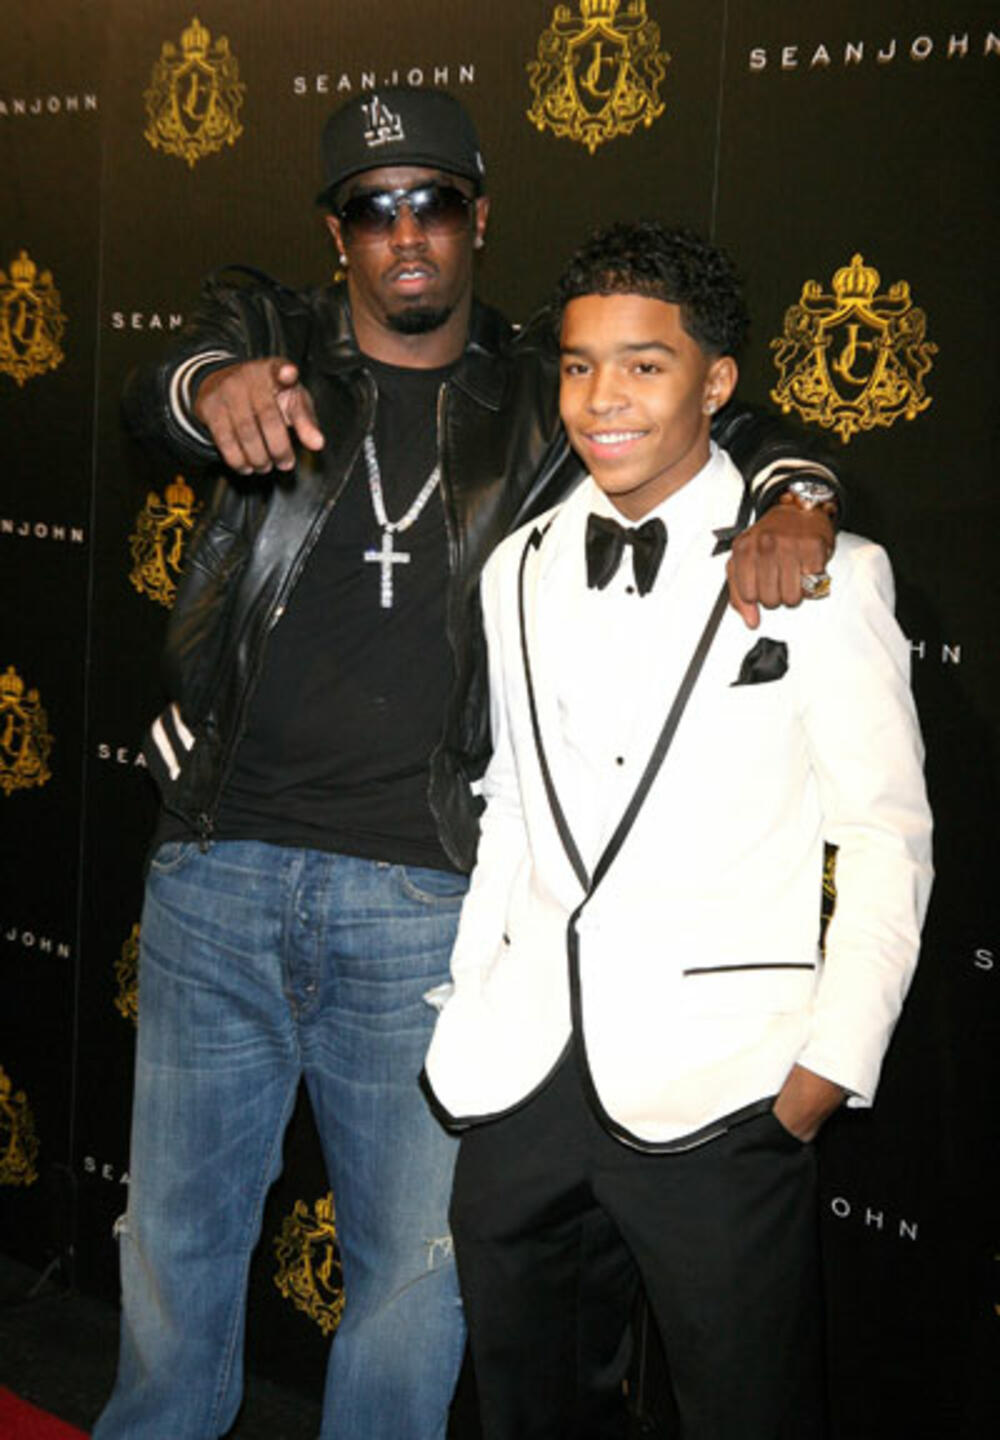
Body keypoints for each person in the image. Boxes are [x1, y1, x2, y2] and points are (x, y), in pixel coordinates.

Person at [95, 90, 841, 1440]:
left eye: (432, 200)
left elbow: (718, 421)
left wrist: (801, 493)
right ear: (338, 236)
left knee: (409, 1283)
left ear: (478, 217)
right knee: (172, 1251)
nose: (405, 232)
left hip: (425, 897)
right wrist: (208, 387)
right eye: (372, 209)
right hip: (220, 875)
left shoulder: (548, 394)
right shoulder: (271, 346)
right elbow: (161, 390)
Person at [423, 220, 933, 1440]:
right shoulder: (517, 566)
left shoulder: (828, 575)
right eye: (578, 364)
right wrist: (475, 985)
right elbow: (513, 800)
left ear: (716, 384)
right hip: (525, 1076)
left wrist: (825, 1071)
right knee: (525, 1413)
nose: (602, 399)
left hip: (726, 1089)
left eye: (644, 366)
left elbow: (882, 834)